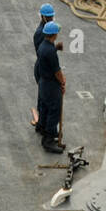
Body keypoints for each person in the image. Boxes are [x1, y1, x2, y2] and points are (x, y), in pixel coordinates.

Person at [35, 21, 65, 153]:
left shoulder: (44, 45)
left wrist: (56, 48)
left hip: (43, 83)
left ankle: (44, 129)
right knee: (54, 110)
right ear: (54, 34)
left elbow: (48, 52)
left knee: (45, 107)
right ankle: (48, 140)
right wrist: (63, 81)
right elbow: (57, 71)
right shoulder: (50, 52)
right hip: (51, 85)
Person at [32, 3, 57, 81]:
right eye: (49, 17)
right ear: (43, 17)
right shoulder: (40, 33)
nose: (51, 19)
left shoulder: (47, 30)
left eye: (51, 17)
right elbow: (41, 52)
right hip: (43, 70)